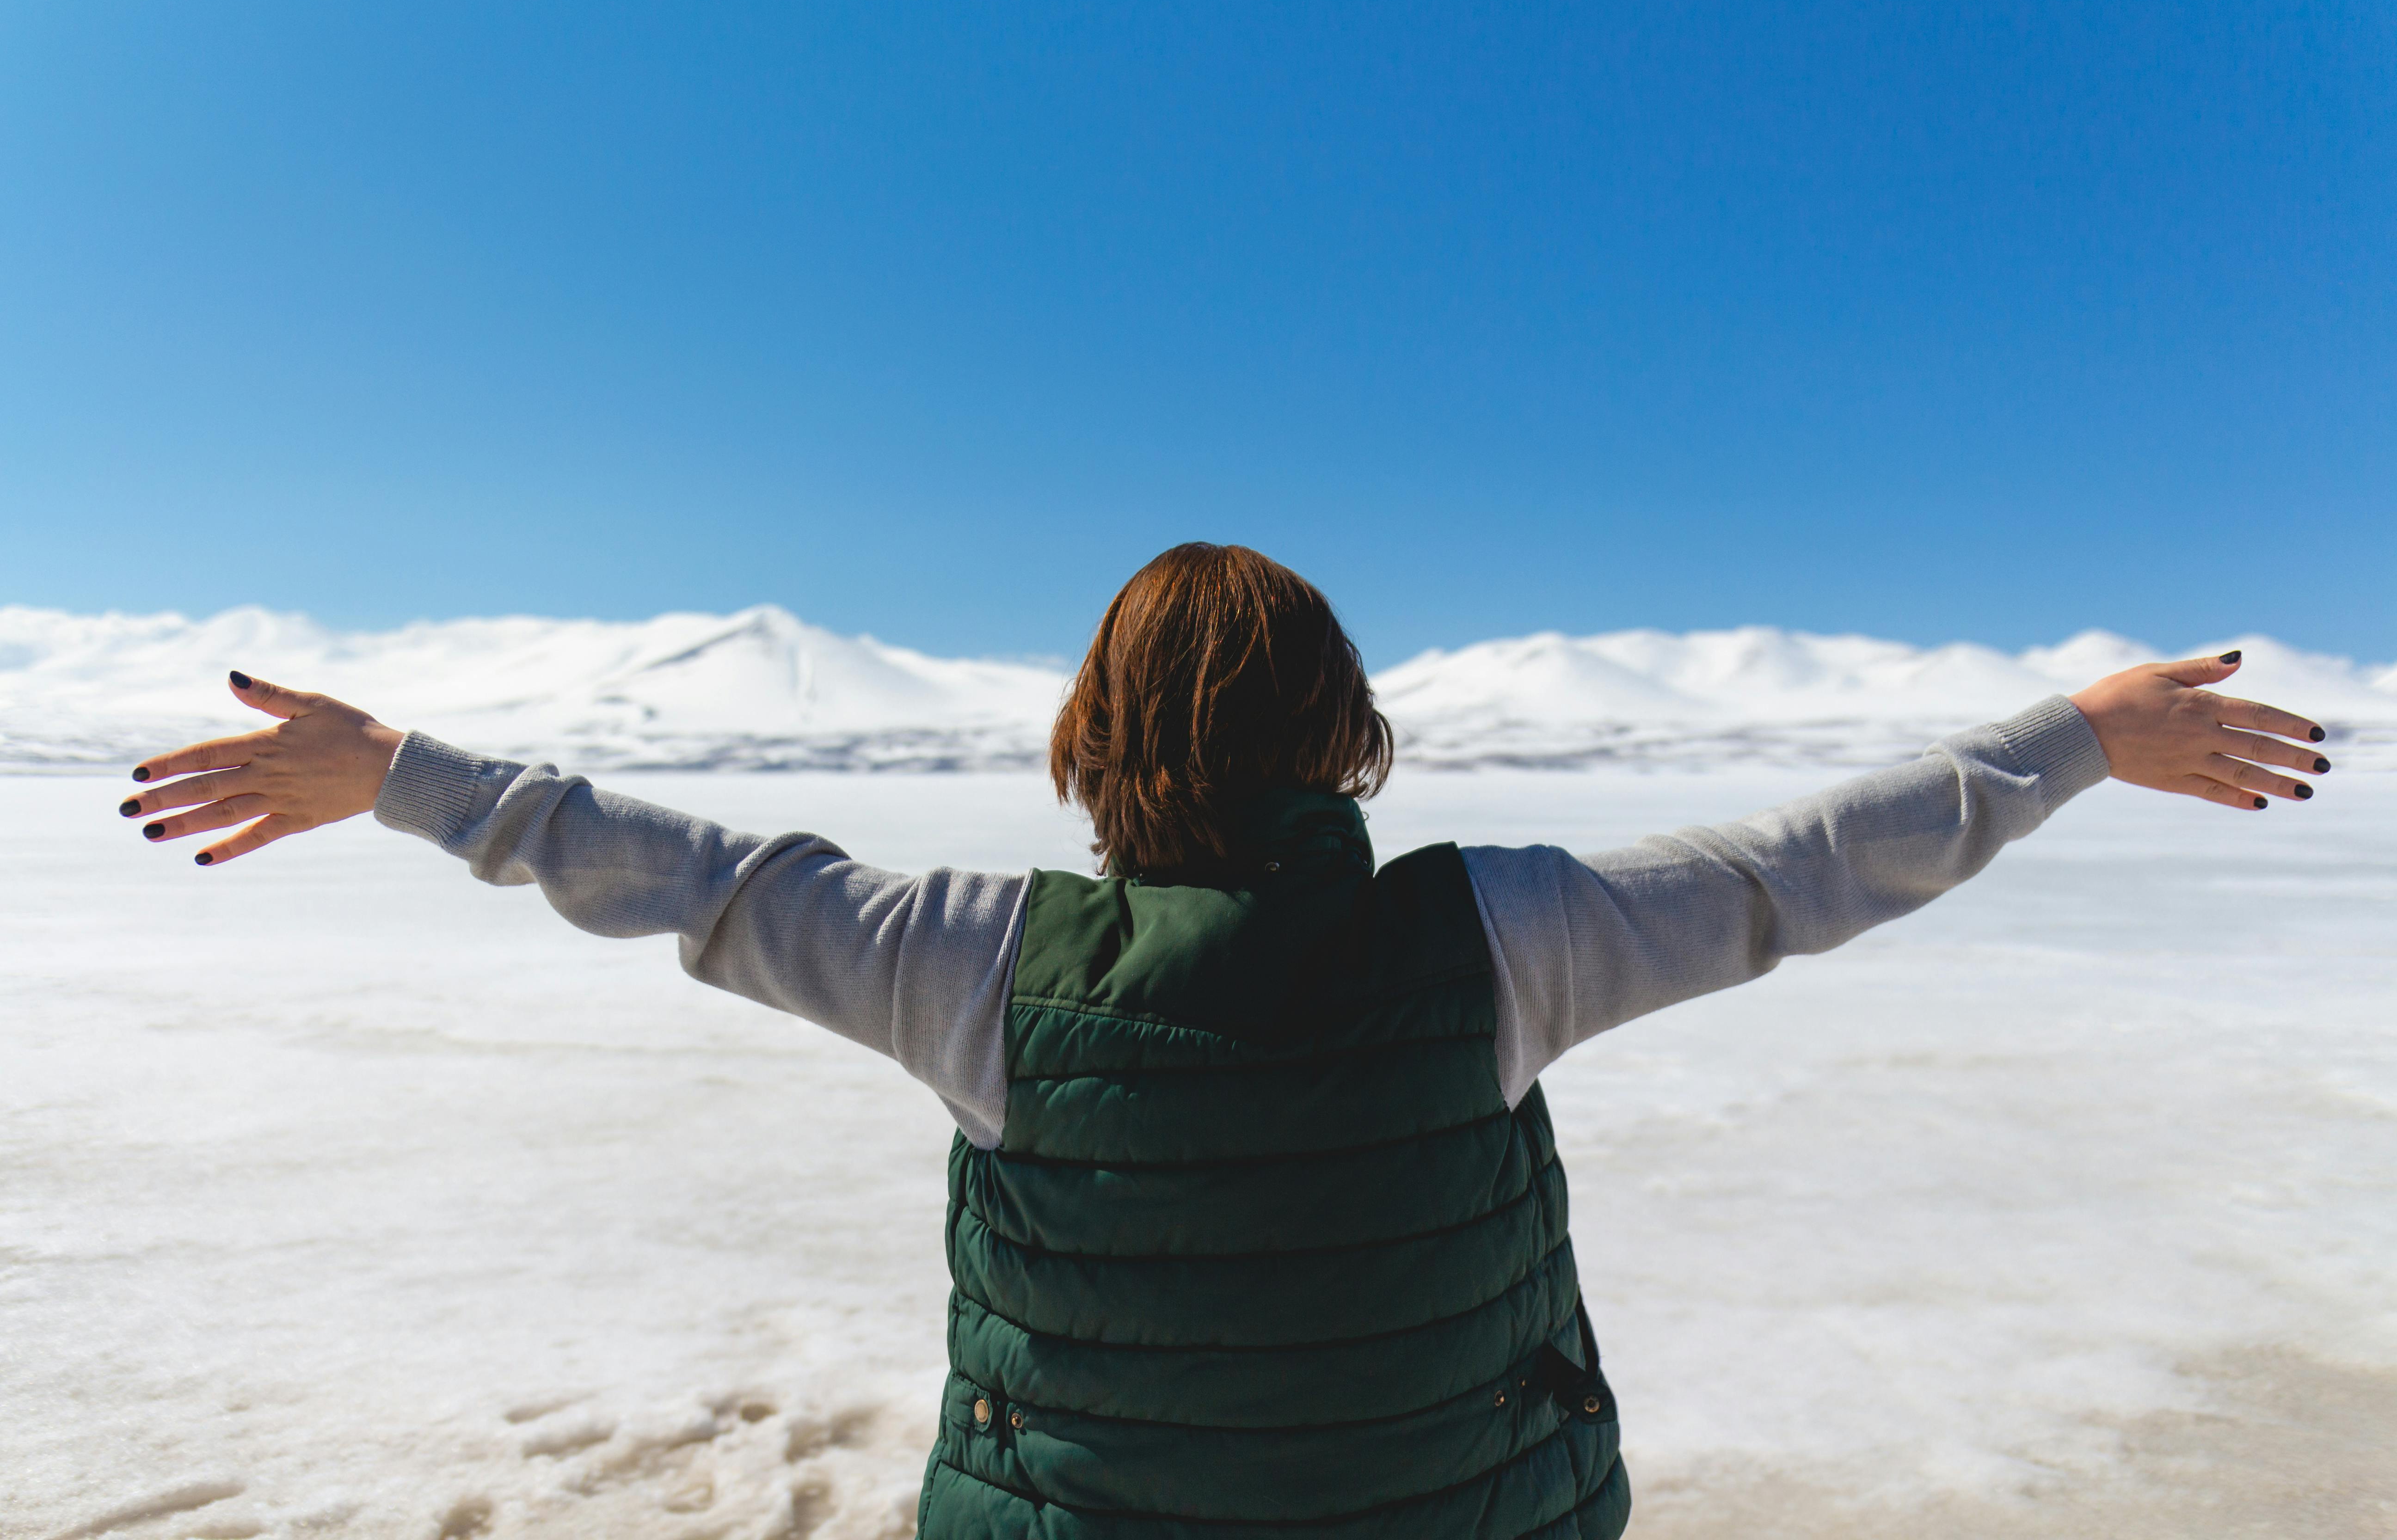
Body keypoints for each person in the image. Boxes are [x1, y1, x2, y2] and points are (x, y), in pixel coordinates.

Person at [118, 544, 2331, 1538]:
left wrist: (402, 773)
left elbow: (686, 872)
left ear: (1090, 742)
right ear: (1346, 736)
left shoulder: (965, 956)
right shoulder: (1511, 938)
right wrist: (2069, 739)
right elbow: (1797, 869)